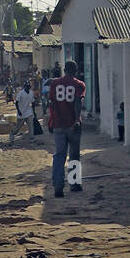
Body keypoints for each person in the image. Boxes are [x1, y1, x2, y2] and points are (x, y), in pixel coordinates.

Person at [47, 60, 85, 197]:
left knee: (59, 154)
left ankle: (58, 185)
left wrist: (51, 121)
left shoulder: (55, 84)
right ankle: (74, 184)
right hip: (72, 125)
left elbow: (51, 104)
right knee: (74, 155)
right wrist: (76, 120)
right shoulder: (79, 85)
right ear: (75, 71)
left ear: (64, 70)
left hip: (58, 124)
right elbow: (77, 102)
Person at [9, 79, 37, 145]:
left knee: (30, 126)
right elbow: (16, 103)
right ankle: (12, 133)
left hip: (28, 112)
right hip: (21, 112)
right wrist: (19, 111)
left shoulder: (31, 93)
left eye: (28, 86)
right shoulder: (20, 93)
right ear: (25, 87)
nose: (28, 87)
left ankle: (32, 138)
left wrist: (34, 112)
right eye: (27, 86)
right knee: (18, 127)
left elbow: (33, 103)